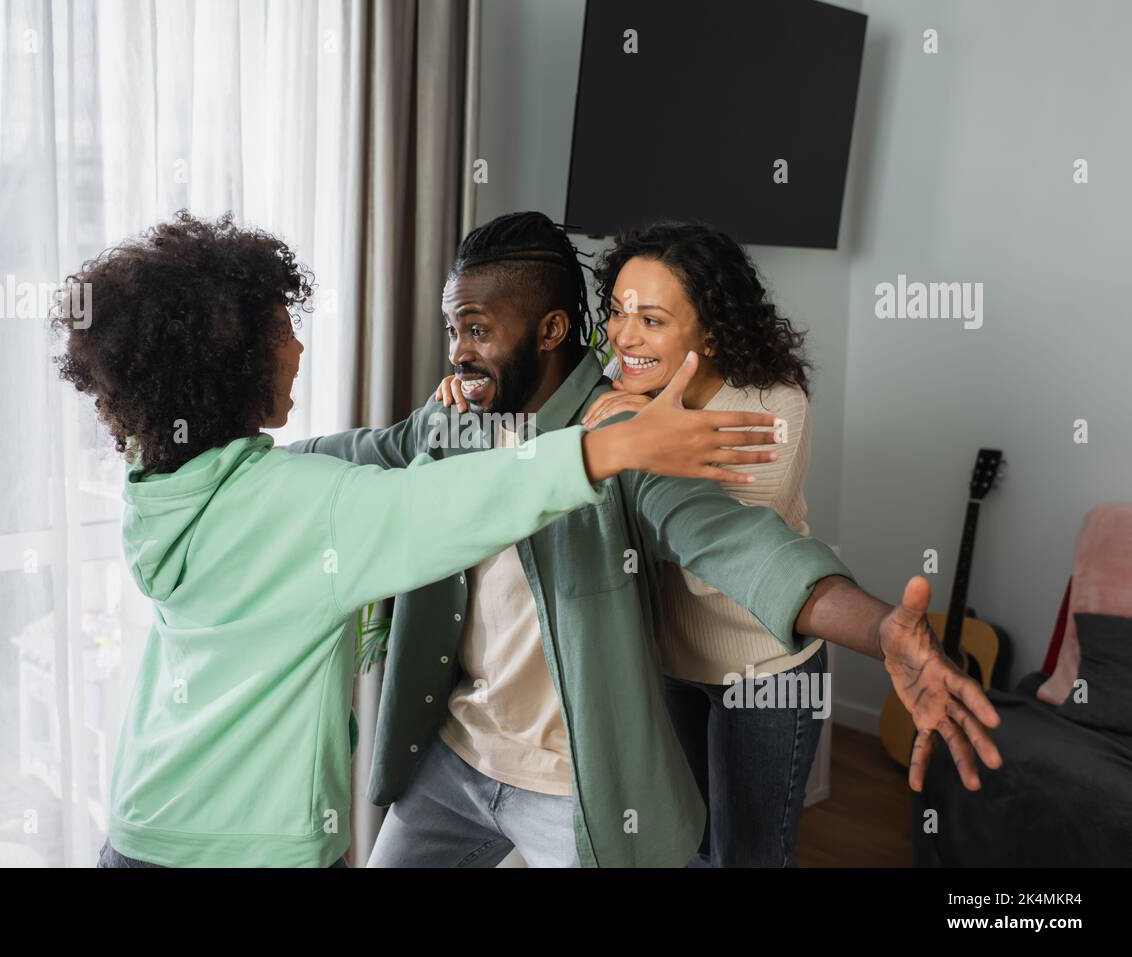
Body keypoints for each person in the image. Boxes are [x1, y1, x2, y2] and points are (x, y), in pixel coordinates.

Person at [50, 210, 785, 867]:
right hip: (256, 848)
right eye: (283, 331)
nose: (301, 348)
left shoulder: (165, 486)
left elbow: (370, 455)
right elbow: (455, 503)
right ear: (232, 362)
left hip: (141, 823)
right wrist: (605, 450)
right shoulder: (313, 505)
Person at [292, 210, 1001, 868]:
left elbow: (737, 541)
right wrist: (231, 459)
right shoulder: (457, 422)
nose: (458, 354)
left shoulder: (634, 439)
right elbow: (358, 452)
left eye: (476, 330)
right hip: (455, 757)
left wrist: (882, 628)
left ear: (548, 331)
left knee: (746, 849)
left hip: (585, 773)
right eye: (454, 331)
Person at [580, 219, 826, 866]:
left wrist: (632, 431)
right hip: (672, 656)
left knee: (749, 855)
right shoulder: (619, 381)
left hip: (764, 668)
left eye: (652, 321)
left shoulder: (776, 404)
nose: (624, 336)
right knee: (682, 846)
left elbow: (714, 551)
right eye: (617, 312)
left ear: (712, 332)